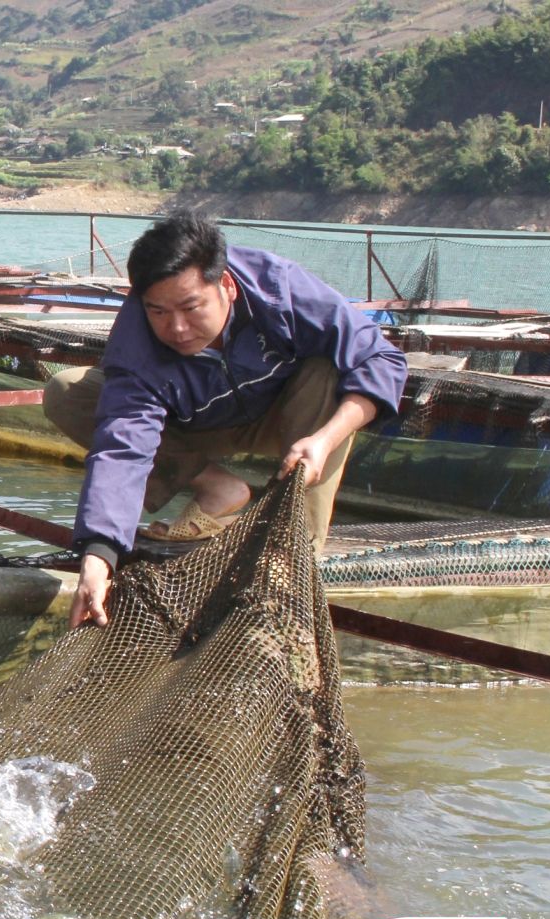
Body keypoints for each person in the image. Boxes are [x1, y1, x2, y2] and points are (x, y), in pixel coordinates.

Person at [45, 210, 407, 627]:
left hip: (287, 420)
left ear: (227, 286)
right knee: (68, 392)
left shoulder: (279, 287)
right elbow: (122, 447)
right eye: (158, 311)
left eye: (190, 307)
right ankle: (217, 487)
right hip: (193, 427)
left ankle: (295, 556)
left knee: (328, 369)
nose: (177, 328)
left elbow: (379, 358)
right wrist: (98, 557)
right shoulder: (136, 344)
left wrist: (325, 438)